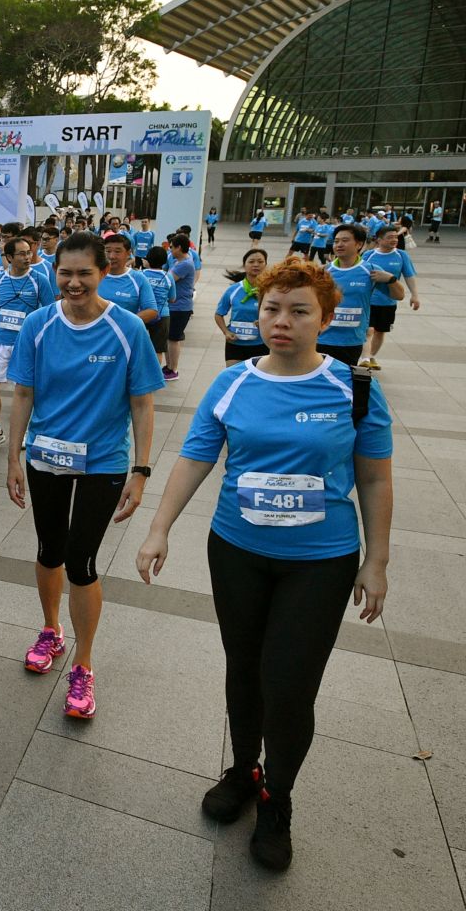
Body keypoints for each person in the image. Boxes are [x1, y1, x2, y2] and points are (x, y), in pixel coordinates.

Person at [135, 256, 391, 871]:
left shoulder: (352, 387)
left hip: (320, 560)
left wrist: (377, 561)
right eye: (272, 308)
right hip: (238, 551)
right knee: (243, 668)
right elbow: (196, 456)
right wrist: (159, 528)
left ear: (325, 319)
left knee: (291, 683)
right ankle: (245, 768)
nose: (281, 321)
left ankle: (279, 798)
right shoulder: (233, 382)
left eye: (299, 311)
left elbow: (376, 480)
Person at [6, 232, 163, 720]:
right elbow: (24, 396)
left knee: (82, 561)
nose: (74, 283)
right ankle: (51, 631)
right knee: (49, 550)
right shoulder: (37, 324)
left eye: (84, 273)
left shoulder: (128, 328)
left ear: (104, 272)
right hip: (46, 458)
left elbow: (142, 402)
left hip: (103, 463)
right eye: (65, 273)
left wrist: (140, 470)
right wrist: (13, 456)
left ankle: (84, 664)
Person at [0, 236, 57, 451]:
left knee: (25, 391)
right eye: (22, 254)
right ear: (9, 257)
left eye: (29, 252)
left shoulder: (39, 278)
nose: (28, 257)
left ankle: (26, 431)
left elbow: (50, 311)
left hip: (26, 344)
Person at [360, 224, 421, 370]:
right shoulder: (369, 255)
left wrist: (415, 295)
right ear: (379, 240)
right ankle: (365, 358)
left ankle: (371, 355)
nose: (394, 240)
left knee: (381, 331)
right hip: (369, 300)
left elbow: (409, 275)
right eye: (390, 237)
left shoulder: (401, 255)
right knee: (368, 330)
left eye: (395, 237)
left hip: (388, 302)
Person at [316, 224, 378, 366]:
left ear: (359, 244)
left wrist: (391, 280)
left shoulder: (370, 270)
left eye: (345, 240)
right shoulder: (324, 271)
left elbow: (398, 295)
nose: (339, 245)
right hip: (323, 338)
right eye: (336, 241)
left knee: (347, 380)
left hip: (352, 341)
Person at [215, 249, 270, 366]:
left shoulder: (271, 291)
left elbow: (280, 315)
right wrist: (226, 332)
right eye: (251, 261)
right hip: (235, 344)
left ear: (266, 265)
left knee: (258, 382)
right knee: (232, 377)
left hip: (261, 344)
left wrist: (265, 321)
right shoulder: (233, 290)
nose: (256, 265)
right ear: (244, 265)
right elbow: (219, 314)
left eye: (260, 261)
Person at [98, 232, 164, 329]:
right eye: (108, 251)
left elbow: (151, 311)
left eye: (117, 251)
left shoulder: (139, 279)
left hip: (124, 336)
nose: (112, 256)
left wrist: (123, 324)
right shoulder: (94, 275)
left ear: (129, 253)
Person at [164, 234, 197, 381]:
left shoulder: (185, 264)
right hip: (174, 306)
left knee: (173, 338)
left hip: (180, 307)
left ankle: (173, 369)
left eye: (171, 247)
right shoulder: (178, 261)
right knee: (168, 337)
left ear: (178, 247)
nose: (170, 250)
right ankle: (168, 366)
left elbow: (168, 280)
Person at [141, 246, 178, 373]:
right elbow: (172, 299)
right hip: (162, 316)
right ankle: (154, 375)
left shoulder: (141, 275)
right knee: (158, 349)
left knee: (138, 345)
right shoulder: (169, 276)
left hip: (142, 315)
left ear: (148, 260)